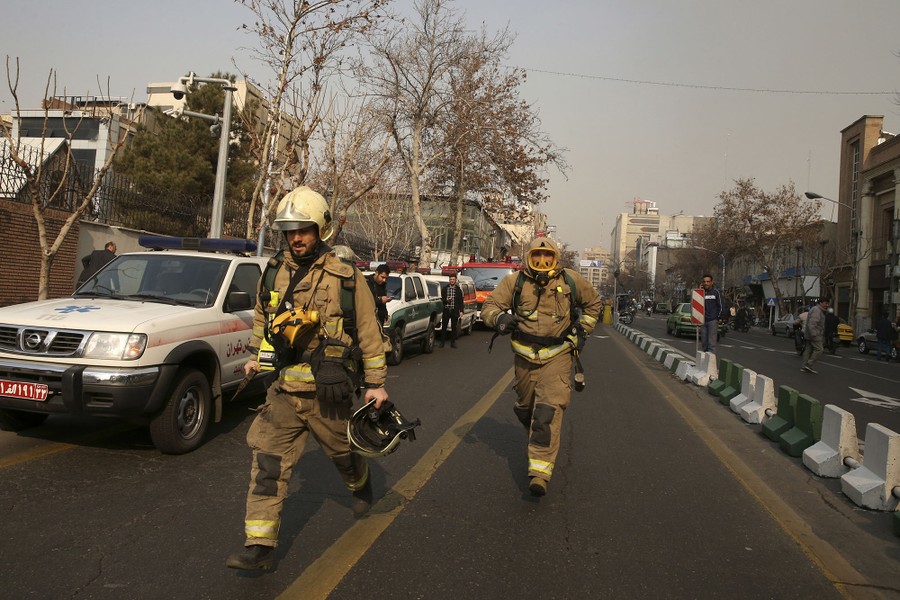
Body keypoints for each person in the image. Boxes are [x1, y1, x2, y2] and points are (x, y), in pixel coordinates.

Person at [226, 186, 389, 572]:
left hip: (328, 394)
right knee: (267, 463)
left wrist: (376, 383)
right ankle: (260, 546)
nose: (295, 238)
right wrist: (256, 357)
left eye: (304, 229)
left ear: (322, 230)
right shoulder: (273, 272)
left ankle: (359, 481)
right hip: (283, 393)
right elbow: (264, 318)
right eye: (289, 231)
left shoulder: (346, 278)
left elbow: (368, 332)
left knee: (343, 456)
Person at [481, 236, 601, 497]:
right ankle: (534, 426)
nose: (542, 261)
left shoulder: (570, 280)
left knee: (547, 411)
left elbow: (594, 305)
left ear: (556, 259)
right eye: (537, 256)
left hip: (558, 356)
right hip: (524, 358)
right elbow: (489, 306)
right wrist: (498, 318)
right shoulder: (515, 282)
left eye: (548, 257)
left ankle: (539, 474)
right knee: (527, 409)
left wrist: (583, 328)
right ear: (529, 257)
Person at [801, 296, 830, 374]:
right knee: (819, 349)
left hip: (810, 333)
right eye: (825, 303)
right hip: (814, 334)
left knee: (808, 349)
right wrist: (814, 334)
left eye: (828, 303)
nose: (827, 305)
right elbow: (812, 323)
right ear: (820, 303)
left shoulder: (816, 309)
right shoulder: (817, 310)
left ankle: (804, 366)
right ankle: (809, 365)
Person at [700, 274, 724, 353]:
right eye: (704, 282)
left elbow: (721, 306)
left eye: (708, 281)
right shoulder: (702, 293)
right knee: (704, 341)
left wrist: (717, 318)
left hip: (712, 320)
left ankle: (710, 361)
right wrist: (699, 291)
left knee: (711, 342)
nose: (706, 283)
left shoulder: (716, 292)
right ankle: (704, 360)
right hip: (703, 320)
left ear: (711, 282)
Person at [438, 273, 463, 348]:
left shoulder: (458, 290)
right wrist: (446, 300)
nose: (452, 281)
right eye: (451, 279)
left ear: (455, 280)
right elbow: (441, 299)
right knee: (444, 327)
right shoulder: (445, 289)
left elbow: (460, 301)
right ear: (449, 280)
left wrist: (461, 311)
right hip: (446, 310)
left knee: (453, 327)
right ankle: (442, 342)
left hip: (454, 310)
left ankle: (453, 342)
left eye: (453, 279)